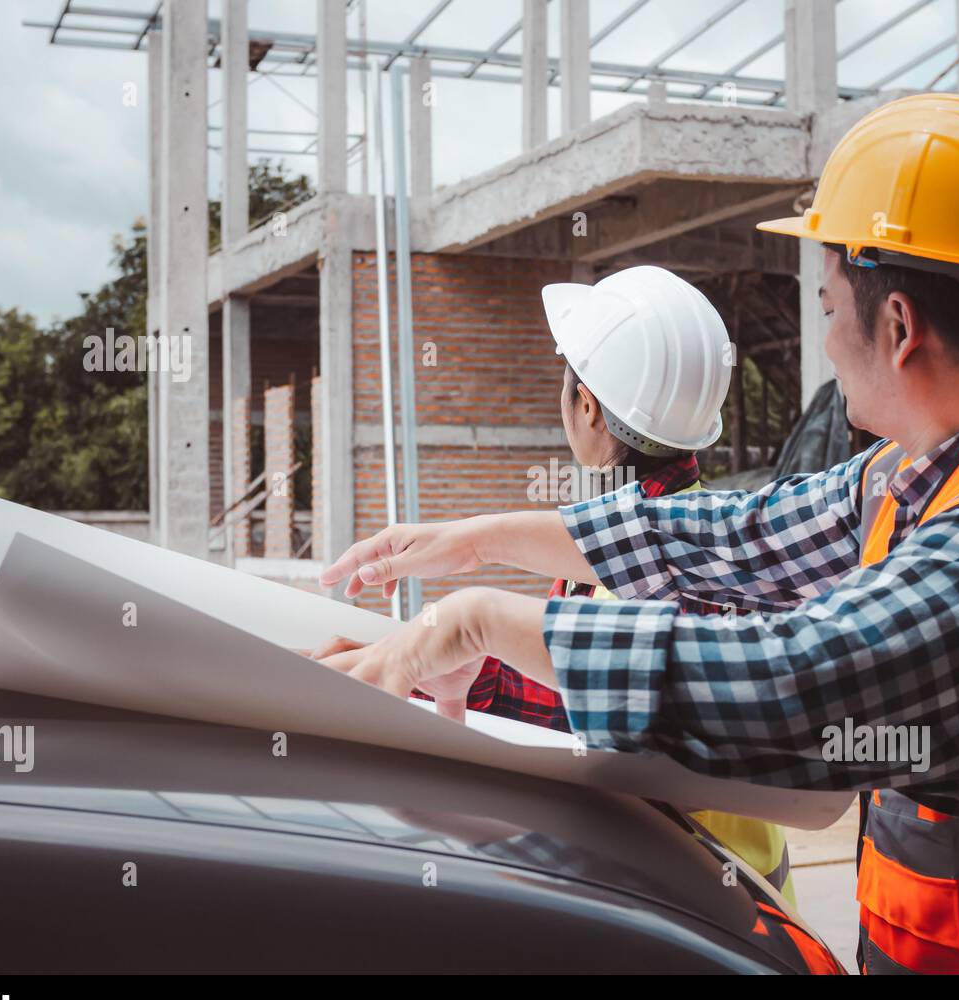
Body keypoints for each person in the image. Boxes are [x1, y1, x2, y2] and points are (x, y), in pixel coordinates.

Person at [316, 94, 959, 974]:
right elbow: (739, 532)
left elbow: (789, 679)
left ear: (899, 325)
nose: (826, 340)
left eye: (829, 307)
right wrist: (477, 542)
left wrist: (478, 624)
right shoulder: (955, 465)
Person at [319, 264, 799, 907]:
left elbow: (618, 710)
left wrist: (476, 655)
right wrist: (478, 671)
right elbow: (594, 693)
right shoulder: (705, 541)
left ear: (589, 406)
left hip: (696, 918)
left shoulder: (648, 575)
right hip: (733, 907)